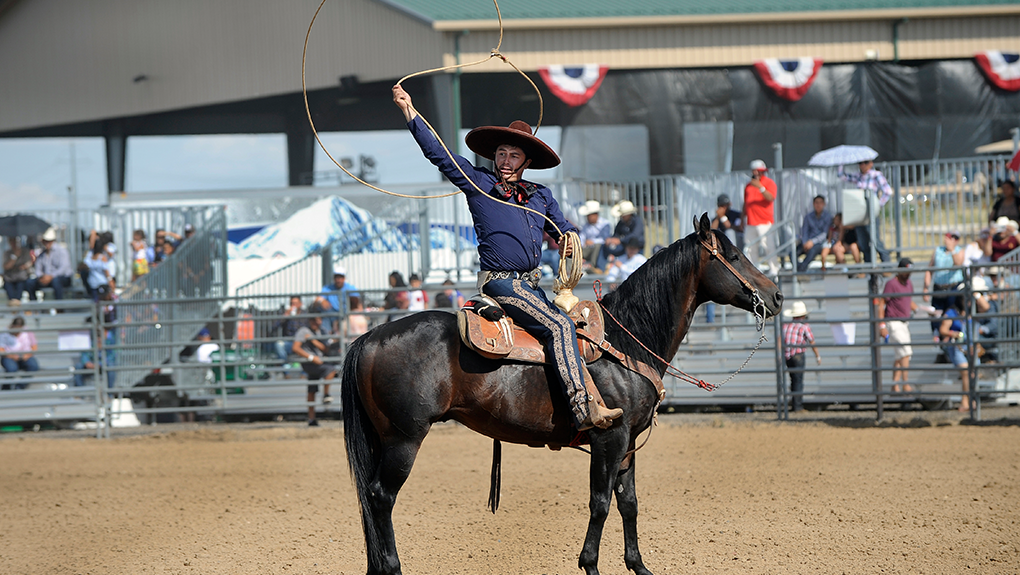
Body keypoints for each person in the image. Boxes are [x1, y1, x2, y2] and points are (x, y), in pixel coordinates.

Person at [394, 83, 622, 430]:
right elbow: (440, 154)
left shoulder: (540, 195)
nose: (504, 160)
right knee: (559, 326)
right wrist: (410, 110)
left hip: (533, 288)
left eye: (513, 155)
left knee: (575, 326)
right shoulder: (479, 184)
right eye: (501, 153)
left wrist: (569, 243)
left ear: (526, 161)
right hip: (501, 286)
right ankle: (582, 407)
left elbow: (565, 232)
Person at [877, 258, 927, 392]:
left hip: (905, 322)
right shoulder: (891, 284)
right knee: (905, 351)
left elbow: (907, 301)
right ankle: (906, 383)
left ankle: (895, 385)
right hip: (893, 322)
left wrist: (922, 311)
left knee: (901, 355)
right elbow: (882, 303)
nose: (908, 274)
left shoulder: (908, 284)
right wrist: (881, 325)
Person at [839, 159, 892, 263]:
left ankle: (886, 265)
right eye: (860, 163)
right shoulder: (858, 176)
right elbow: (842, 176)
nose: (862, 165)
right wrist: (841, 162)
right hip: (860, 214)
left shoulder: (876, 175)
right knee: (863, 243)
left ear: (871, 163)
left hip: (871, 213)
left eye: (866, 162)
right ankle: (869, 268)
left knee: (875, 241)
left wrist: (877, 205)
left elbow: (887, 191)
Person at [293, 303, 337, 427]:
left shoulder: (321, 331)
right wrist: (311, 357)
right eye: (313, 319)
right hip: (309, 363)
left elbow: (325, 349)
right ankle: (326, 395)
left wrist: (313, 340)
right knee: (330, 370)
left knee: (311, 390)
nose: (316, 322)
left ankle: (311, 419)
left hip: (318, 362)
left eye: (318, 319)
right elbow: (295, 348)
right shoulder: (303, 331)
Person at [706, 193, 743, 322]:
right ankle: (709, 320)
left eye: (725, 205)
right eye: (721, 206)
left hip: (736, 246)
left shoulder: (735, 214)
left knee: (730, 233)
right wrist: (718, 217)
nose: (724, 208)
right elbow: (711, 232)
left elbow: (736, 227)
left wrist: (724, 218)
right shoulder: (716, 217)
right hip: (720, 253)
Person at [936, 296, 976, 413]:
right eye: (965, 299)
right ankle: (965, 400)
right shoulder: (952, 312)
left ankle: (970, 399)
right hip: (956, 347)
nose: (968, 302)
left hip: (970, 347)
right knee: (965, 372)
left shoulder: (972, 311)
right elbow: (943, 330)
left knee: (972, 374)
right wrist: (954, 334)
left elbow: (986, 307)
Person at [781, 301, 820, 412]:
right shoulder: (804, 327)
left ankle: (794, 404)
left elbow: (781, 339)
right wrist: (817, 356)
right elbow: (811, 341)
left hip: (787, 355)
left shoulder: (786, 326)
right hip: (798, 355)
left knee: (793, 380)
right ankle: (797, 406)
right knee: (798, 380)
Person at [743, 159, 778, 276]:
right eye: (758, 171)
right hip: (751, 222)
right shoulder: (748, 185)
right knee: (750, 248)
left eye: (761, 171)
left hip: (764, 221)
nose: (759, 173)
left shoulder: (769, 183)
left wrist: (760, 187)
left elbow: (770, 197)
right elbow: (746, 203)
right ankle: (753, 271)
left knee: (768, 246)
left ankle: (774, 269)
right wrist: (742, 218)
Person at [25, 228, 74, 301]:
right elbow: (38, 269)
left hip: (62, 277)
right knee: (30, 283)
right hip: (48, 278)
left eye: (48, 241)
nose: (46, 243)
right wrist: (42, 277)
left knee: (56, 281)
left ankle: (59, 307)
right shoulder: (42, 254)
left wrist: (51, 276)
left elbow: (64, 268)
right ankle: (34, 307)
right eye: (45, 241)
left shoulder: (61, 251)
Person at [923, 231, 964, 316]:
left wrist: (952, 250)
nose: (952, 240)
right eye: (950, 237)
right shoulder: (938, 250)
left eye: (955, 238)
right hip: (939, 288)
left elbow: (958, 263)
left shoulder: (959, 251)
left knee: (952, 315)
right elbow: (929, 269)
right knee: (936, 315)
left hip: (953, 288)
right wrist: (926, 288)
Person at [597, 200, 645, 271]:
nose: (621, 216)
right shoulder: (621, 223)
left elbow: (635, 235)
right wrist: (610, 240)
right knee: (604, 246)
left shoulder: (637, 221)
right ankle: (600, 269)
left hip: (636, 247)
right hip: (623, 246)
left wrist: (620, 240)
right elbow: (616, 234)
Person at [316, 266, 359, 332]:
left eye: (341, 277)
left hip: (346, 313)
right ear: (334, 278)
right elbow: (318, 299)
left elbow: (356, 302)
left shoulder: (350, 288)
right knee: (324, 312)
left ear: (344, 278)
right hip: (332, 314)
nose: (338, 279)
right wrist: (322, 301)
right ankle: (327, 336)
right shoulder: (328, 288)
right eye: (336, 277)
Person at [797, 195, 834, 273]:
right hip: (807, 242)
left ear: (824, 204)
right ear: (813, 204)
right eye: (816, 203)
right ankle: (799, 269)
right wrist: (805, 242)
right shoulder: (808, 217)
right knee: (792, 253)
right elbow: (805, 231)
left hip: (819, 243)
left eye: (820, 203)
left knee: (813, 251)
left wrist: (812, 242)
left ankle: (800, 271)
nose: (818, 205)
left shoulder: (828, 216)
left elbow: (824, 234)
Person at [577, 200, 611, 268]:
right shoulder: (585, 226)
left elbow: (606, 239)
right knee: (573, 250)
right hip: (587, 248)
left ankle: (593, 267)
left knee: (597, 246)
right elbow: (581, 237)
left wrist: (593, 242)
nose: (587, 217)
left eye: (589, 215)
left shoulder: (605, 224)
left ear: (595, 215)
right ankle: (570, 270)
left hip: (600, 250)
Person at [272, 296, 304, 362]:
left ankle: (304, 371)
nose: (293, 305)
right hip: (289, 341)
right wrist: (285, 315)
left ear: (300, 304)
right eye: (292, 303)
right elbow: (274, 326)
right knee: (279, 344)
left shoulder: (305, 314)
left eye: (295, 303)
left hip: (302, 341)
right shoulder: (286, 314)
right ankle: (285, 367)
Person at [3, 236, 33, 302]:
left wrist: (23, 266)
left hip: (21, 278)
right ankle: (14, 305)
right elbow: (6, 266)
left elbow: (28, 263)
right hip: (9, 278)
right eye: (12, 241)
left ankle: (16, 304)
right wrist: (15, 256)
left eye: (15, 242)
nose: (14, 244)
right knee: (10, 290)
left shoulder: (25, 251)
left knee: (21, 287)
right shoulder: (7, 253)